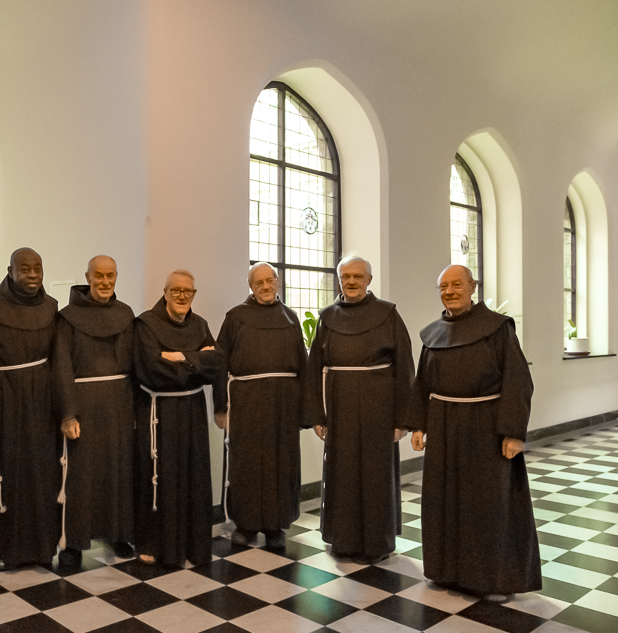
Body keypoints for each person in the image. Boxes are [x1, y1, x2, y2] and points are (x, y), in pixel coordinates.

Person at [409, 264, 541, 602]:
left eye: (457, 285)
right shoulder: (432, 334)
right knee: (443, 500)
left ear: (473, 287)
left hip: (486, 429)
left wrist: (513, 432)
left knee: (487, 504)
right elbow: (423, 382)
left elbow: (517, 381)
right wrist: (419, 424)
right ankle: (444, 570)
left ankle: (492, 579)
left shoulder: (497, 329)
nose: (450, 291)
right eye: (444, 287)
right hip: (443, 427)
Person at [306, 256, 415, 564]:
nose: (351, 282)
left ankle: (377, 542)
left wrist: (402, 419)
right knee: (341, 474)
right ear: (338, 280)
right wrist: (317, 414)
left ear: (369, 279)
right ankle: (342, 539)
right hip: (338, 409)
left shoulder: (388, 315)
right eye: (345, 276)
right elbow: (314, 368)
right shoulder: (327, 318)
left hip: (378, 411)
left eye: (358, 276)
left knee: (375, 475)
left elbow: (405, 367)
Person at [0, 247, 61, 569]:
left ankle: (41, 546)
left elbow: (56, 355)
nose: (32, 275)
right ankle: (3, 546)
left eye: (38, 268)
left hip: (40, 400)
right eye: (25, 269)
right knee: (3, 471)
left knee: (39, 471)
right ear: (10, 271)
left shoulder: (51, 307)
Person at [133, 269, 223, 566]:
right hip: (159, 413)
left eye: (188, 292)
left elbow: (216, 365)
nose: (183, 296)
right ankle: (157, 545)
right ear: (166, 292)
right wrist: (198, 360)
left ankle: (194, 546)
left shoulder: (200, 324)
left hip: (192, 411)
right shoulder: (146, 324)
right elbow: (152, 370)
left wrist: (181, 357)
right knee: (161, 478)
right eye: (176, 291)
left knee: (194, 477)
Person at [213, 262, 306, 548]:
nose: (265, 287)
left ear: (277, 281)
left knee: (282, 463)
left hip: (283, 404)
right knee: (247, 464)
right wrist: (220, 407)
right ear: (250, 286)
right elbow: (219, 364)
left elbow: (303, 367)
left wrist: (305, 411)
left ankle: (276, 526)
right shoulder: (236, 317)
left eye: (270, 281)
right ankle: (246, 524)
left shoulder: (290, 318)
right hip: (246, 403)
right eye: (258, 283)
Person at [53, 255, 136, 566]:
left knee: (118, 472)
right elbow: (61, 367)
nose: (105, 281)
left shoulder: (125, 314)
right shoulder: (67, 318)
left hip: (119, 404)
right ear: (87, 277)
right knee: (79, 476)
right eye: (98, 276)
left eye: (110, 275)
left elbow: (134, 362)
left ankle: (118, 534)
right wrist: (68, 413)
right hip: (84, 407)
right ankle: (72, 544)